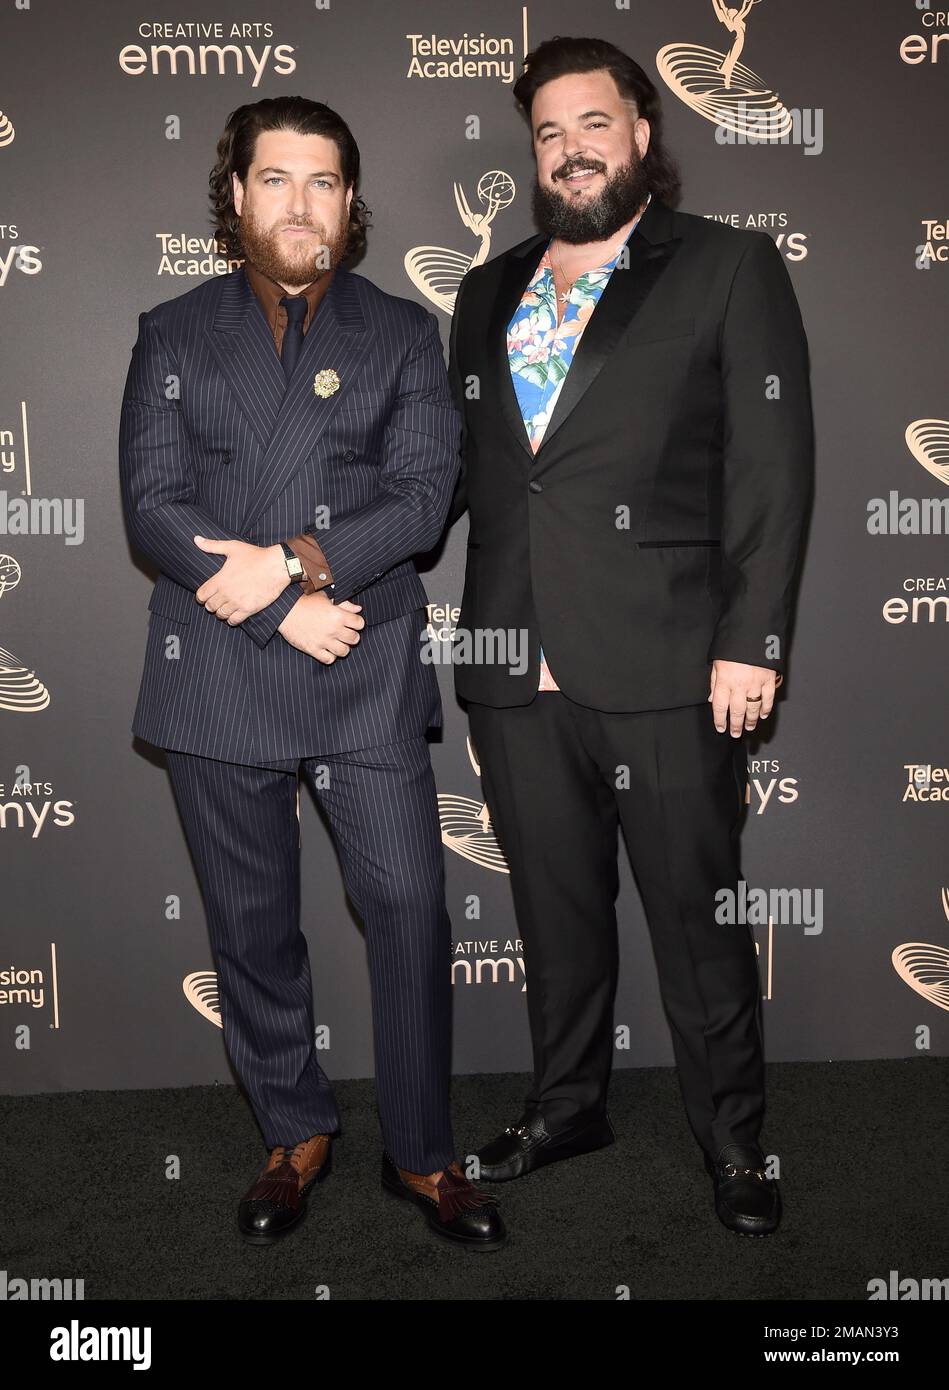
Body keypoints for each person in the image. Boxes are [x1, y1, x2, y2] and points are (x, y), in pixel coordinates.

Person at [119, 95, 504, 1251]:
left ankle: (425, 1150)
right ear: (234, 198)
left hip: (361, 655)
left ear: (352, 201)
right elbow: (152, 504)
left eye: (324, 181)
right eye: (275, 179)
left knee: (409, 907)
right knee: (251, 924)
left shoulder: (397, 332)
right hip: (222, 664)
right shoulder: (173, 330)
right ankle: (294, 1130)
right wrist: (281, 607)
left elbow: (424, 495)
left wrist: (294, 562)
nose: (300, 203)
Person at [447, 37, 813, 1236]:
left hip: (667, 661)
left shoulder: (724, 267)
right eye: (547, 132)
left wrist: (750, 641)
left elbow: (769, 469)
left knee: (696, 918)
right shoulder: (486, 289)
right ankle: (566, 1106)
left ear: (642, 132)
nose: (570, 149)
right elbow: (465, 476)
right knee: (553, 916)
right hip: (513, 661)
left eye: (591, 123)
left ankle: (734, 1142)